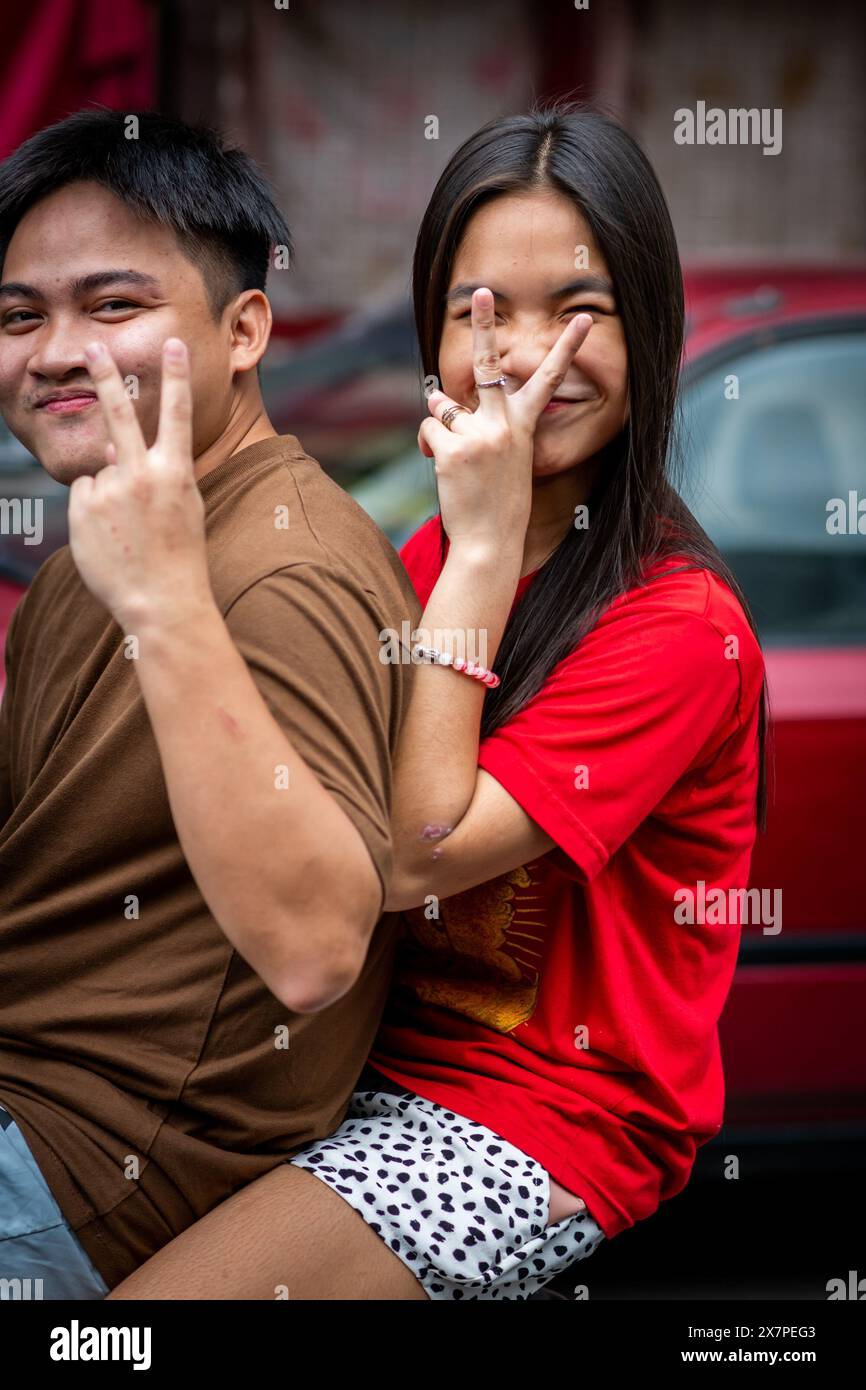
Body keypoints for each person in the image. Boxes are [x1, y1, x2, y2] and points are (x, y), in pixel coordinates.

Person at [104, 102, 770, 1302]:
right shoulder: (419, 553)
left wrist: (476, 547)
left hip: (537, 1119)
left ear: (650, 329)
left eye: (580, 309)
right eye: (481, 310)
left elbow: (417, 856)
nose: (524, 354)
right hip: (337, 1067)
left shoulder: (678, 627)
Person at [0, 108, 420, 1299]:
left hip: (99, 1162)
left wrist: (167, 605)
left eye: (113, 306)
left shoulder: (283, 570)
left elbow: (313, 947)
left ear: (244, 330)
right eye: (21, 316)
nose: (55, 351)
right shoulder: (103, 533)